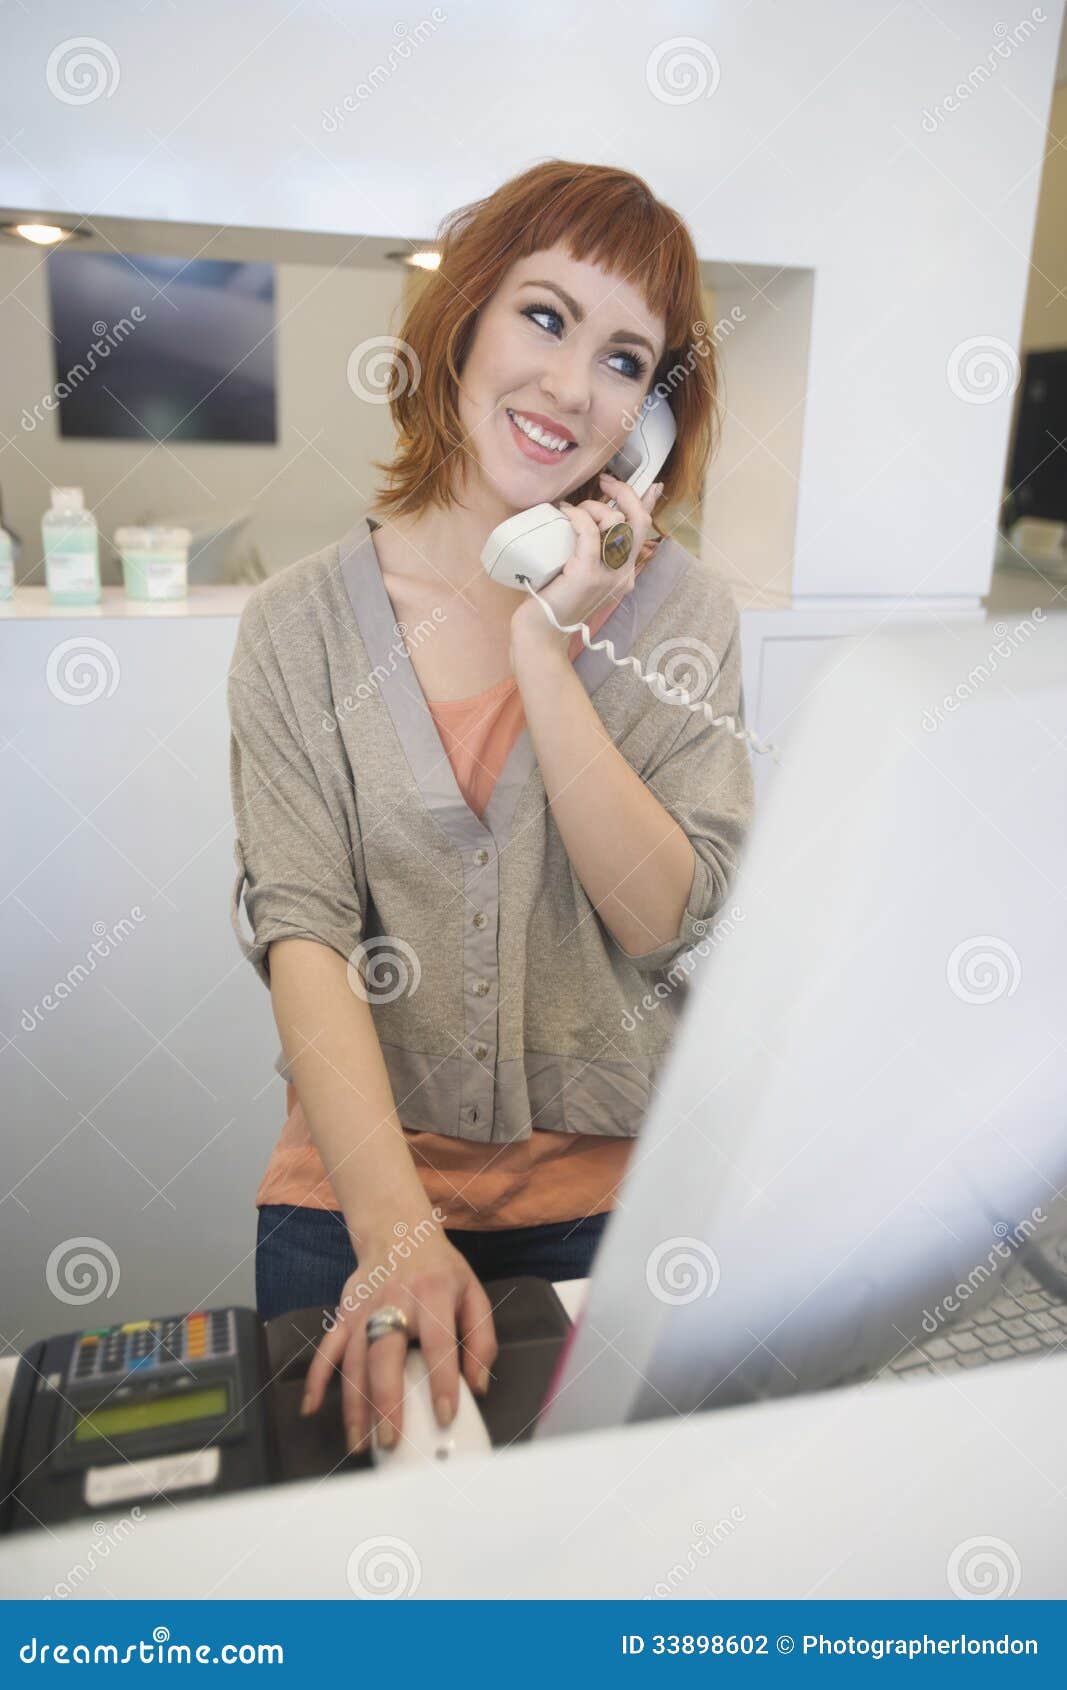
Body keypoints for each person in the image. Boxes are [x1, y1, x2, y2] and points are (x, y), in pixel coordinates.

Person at [226, 158, 755, 1456]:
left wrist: (547, 656)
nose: (572, 387)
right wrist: (393, 1229)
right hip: (354, 1202)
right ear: (463, 323)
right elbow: (303, 933)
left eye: (626, 360)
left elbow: (670, 924)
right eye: (545, 316)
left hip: (614, 1205)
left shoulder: (684, 615)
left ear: (650, 420)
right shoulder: (297, 625)